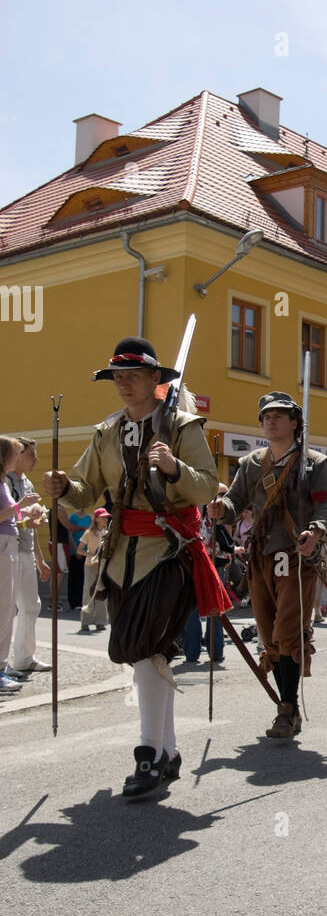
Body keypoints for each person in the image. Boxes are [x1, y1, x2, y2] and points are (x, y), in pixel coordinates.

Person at [42, 335, 224, 797]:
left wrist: (174, 469)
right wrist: (63, 486)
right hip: (120, 556)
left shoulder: (183, 427)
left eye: (132, 376)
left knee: (143, 647)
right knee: (148, 654)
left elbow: (206, 489)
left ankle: (147, 753)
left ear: (154, 380)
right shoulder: (106, 432)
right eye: (117, 377)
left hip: (166, 551)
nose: (123, 384)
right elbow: (85, 492)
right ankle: (167, 751)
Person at [209, 392, 327, 739]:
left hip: (296, 557)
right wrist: (222, 510)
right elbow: (236, 502)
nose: (270, 421)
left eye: (279, 416)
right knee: (268, 635)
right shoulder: (250, 464)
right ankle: (287, 705)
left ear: (295, 422)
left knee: (288, 634)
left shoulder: (315, 463)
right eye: (266, 416)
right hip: (260, 557)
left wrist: (317, 529)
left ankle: (288, 707)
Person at [7, 438, 51, 678]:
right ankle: (5, 664)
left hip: (24, 550)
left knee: (31, 606)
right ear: (18, 454)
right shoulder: (5, 481)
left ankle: (24, 658)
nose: (36, 458)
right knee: (7, 610)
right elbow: (11, 518)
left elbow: (31, 527)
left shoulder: (27, 483)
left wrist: (39, 558)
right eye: (32, 454)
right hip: (8, 549)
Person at [182, 485, 232, 661]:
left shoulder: (197, 518)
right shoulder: (205, 520)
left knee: (208, 610)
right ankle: (204, 650)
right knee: (211, 608)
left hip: (202, 565)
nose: (222, 500)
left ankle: (199, 651)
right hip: (203, 566)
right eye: (221, 495)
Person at [78, 508, 111, 632]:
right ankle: (85, 622)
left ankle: (101, 622)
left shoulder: (108, 534)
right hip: (90, 566)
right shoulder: (89, 533)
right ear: (96, 519)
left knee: (102, 593)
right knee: (88, 593)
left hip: (103, 567)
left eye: (106, 517)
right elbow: (79, 550)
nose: (105, 519)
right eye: (103, 517)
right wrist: (92, 555)